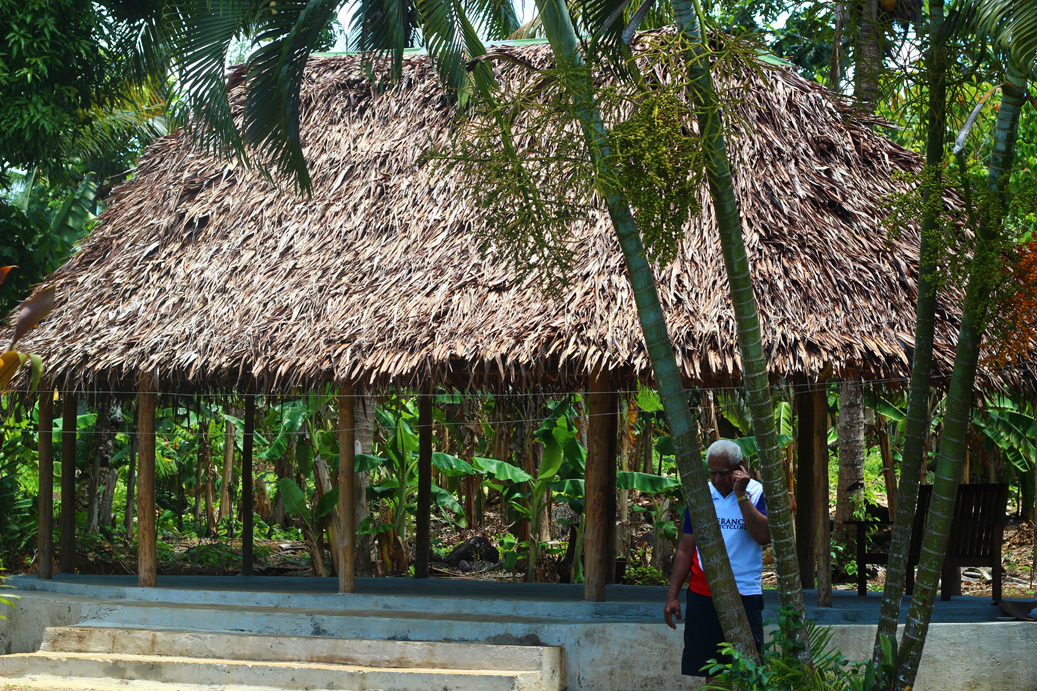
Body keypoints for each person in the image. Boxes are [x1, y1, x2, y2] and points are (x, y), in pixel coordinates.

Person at [663, 439, 770, 677]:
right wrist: (672, 596)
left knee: (746, 669)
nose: (717, 479)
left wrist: (741, 495)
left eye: (723, 473)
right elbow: (685, 548)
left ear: (739, 467)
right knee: (711, 671)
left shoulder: (757, 492)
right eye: (712, 472)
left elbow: (763, 536)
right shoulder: (701, 494)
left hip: (744, 593)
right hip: (702, 593)